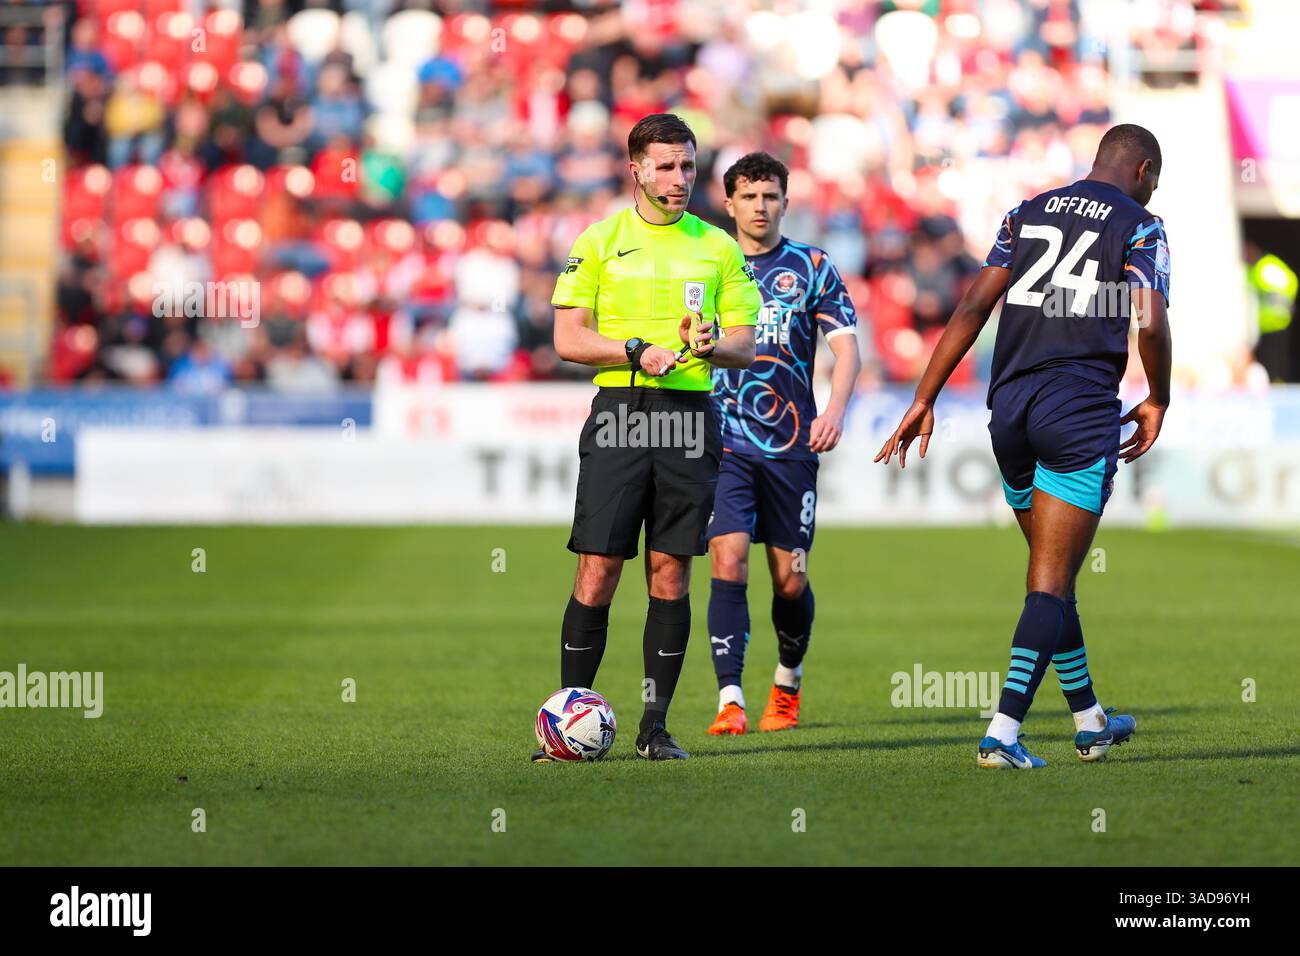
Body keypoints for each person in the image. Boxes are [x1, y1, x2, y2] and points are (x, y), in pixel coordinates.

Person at [876, 124, 1172, 769]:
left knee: (1053, 575)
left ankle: (1090, 720)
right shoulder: (1140, 225)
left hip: (1007, 408)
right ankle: (1002, 733)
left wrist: (923, 397)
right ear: (1143, 170)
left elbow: (973, 307)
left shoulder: (1028, 210)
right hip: (1077, 408)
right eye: (1155, 180)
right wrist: (1158, 396)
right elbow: (1148, 316)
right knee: (1050, 581)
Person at [536, 113, 759, 762]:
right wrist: (632, 348)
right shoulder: (600, 240)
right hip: (621, 414)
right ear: (635, 168)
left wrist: (715, 345)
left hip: (691, 418)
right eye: (665, 165)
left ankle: (653, 728)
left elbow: (746, 344)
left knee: (670, 573)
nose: (678, 178)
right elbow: (567, 337)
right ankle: (568, 717)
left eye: (688, 165)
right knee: (599, 568)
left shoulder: (717, 246)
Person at [704, 152, 860, 735]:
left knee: (790, 577)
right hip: (723, 441)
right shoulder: (707, 264)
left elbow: (846, 347)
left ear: (785, 203)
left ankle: (787, 684)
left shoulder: (813, 265)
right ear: (729, 205)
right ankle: (730, 699)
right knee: (729, 557)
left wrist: (837, 409)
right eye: (749, 197)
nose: (760, 206)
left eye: (770, 196)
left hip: (793, 445)